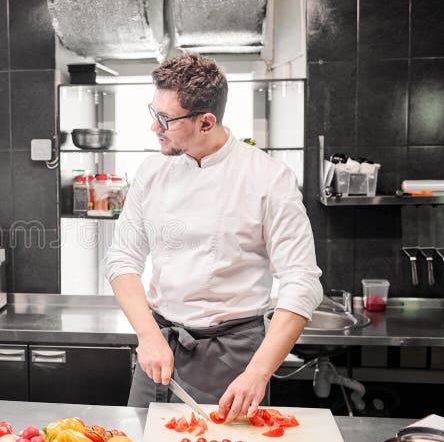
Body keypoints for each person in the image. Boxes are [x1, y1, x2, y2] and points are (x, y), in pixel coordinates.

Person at [105, 53, 322, 421]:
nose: (154, 127)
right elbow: (122, 259)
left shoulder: (268, 178)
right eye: (153, 112)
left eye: (165, 119)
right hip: (159, 348)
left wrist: (258, 372)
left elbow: (301, 283)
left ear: (206, 122)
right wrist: (148, 335)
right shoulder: (151, 171)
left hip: (234, 358)